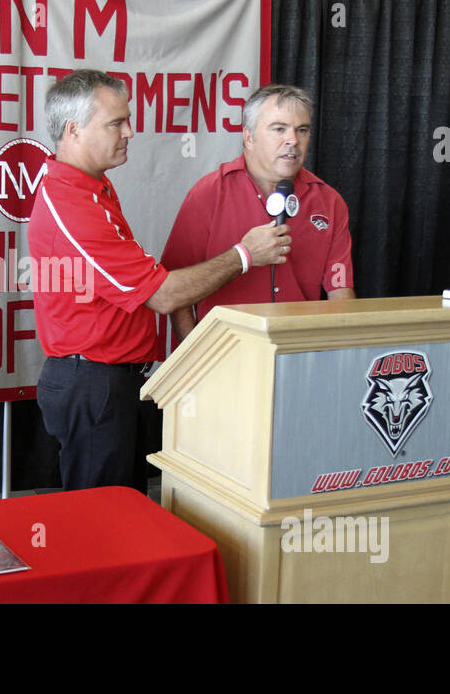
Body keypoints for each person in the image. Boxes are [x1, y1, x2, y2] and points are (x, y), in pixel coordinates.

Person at [28, 69, 274, 491]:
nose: (130, 131)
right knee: (101, 521)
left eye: (127, 119)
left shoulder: (92, 187)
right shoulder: (71, 205)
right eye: (115, 123)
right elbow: (161, 295)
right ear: (73, 130)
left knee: (124, 512)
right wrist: (246, 255)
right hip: (95, 385)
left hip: (111, 382)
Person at [162, 84, 355, 342]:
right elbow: (176, 292)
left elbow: (340, 293)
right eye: (279, 129)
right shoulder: (209, 193)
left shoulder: (329, 202)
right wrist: (196, 356)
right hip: (225, 354)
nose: (293, 141)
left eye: (302, 130)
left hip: (296, 353)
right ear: (249, 137)